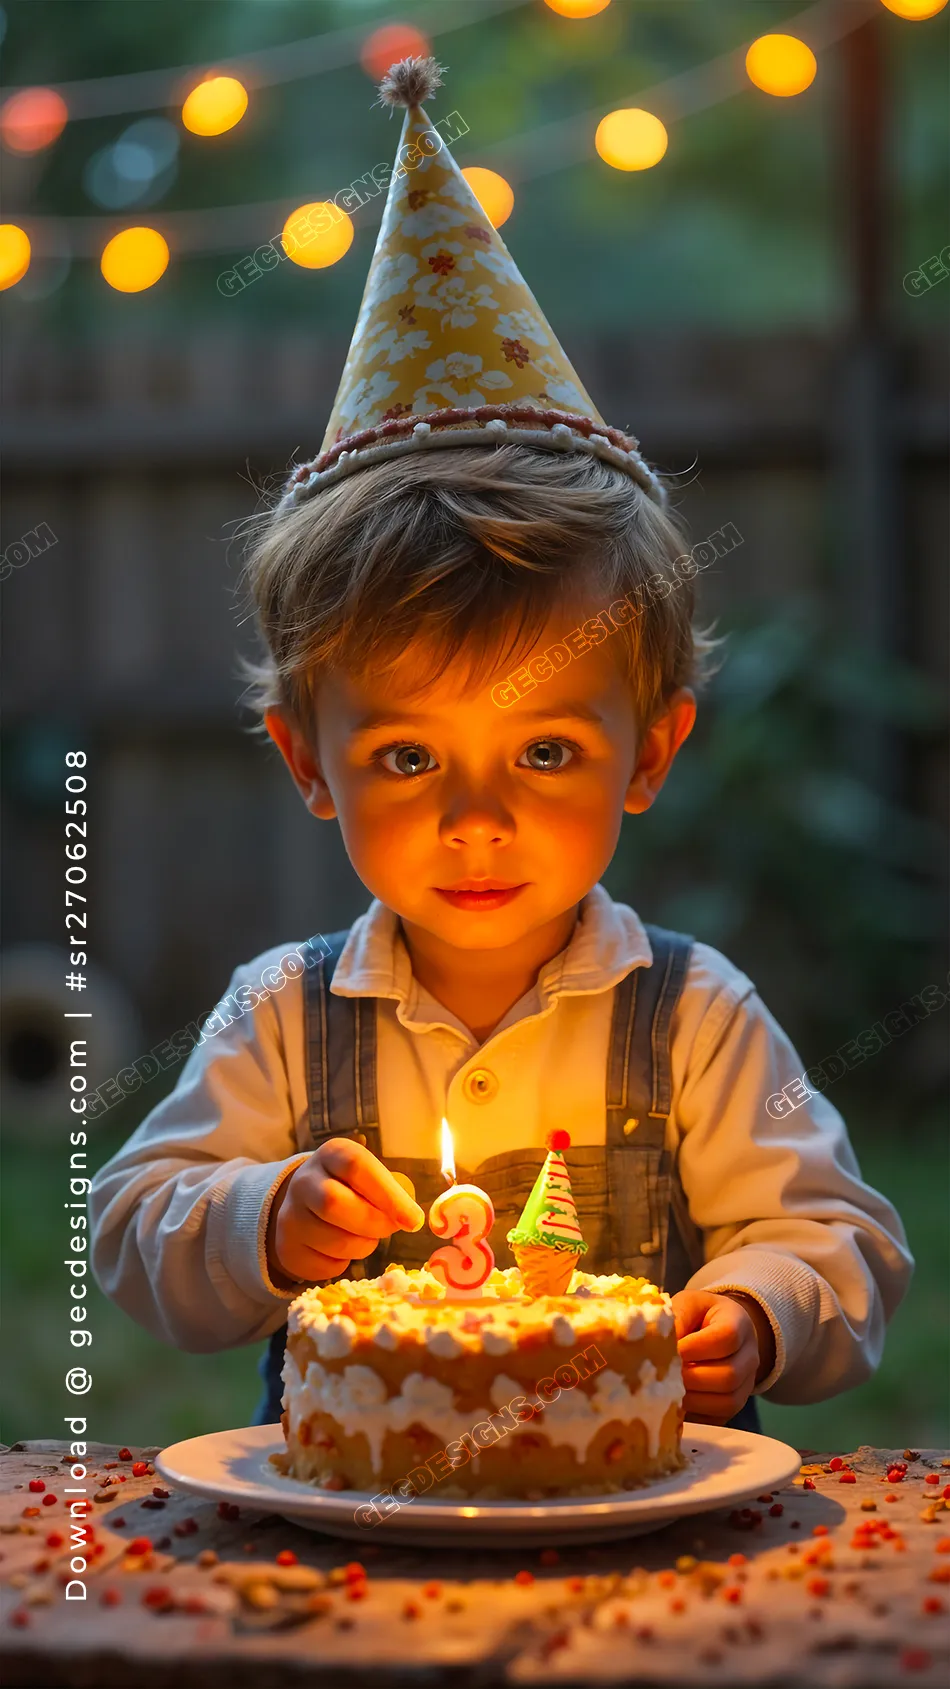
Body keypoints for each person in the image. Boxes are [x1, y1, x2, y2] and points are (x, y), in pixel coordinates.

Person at [89, 56, 912, 1435]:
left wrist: (764, 1308)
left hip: (651, 1557)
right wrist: (256, 1215)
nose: (476, 819)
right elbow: (126, 1234)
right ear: (307, 763)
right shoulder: (278, 1021)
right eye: (409, 758)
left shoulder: (694, 1018)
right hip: (349, 1545)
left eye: (542, 755)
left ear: (647, 758)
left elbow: (844, 1238)